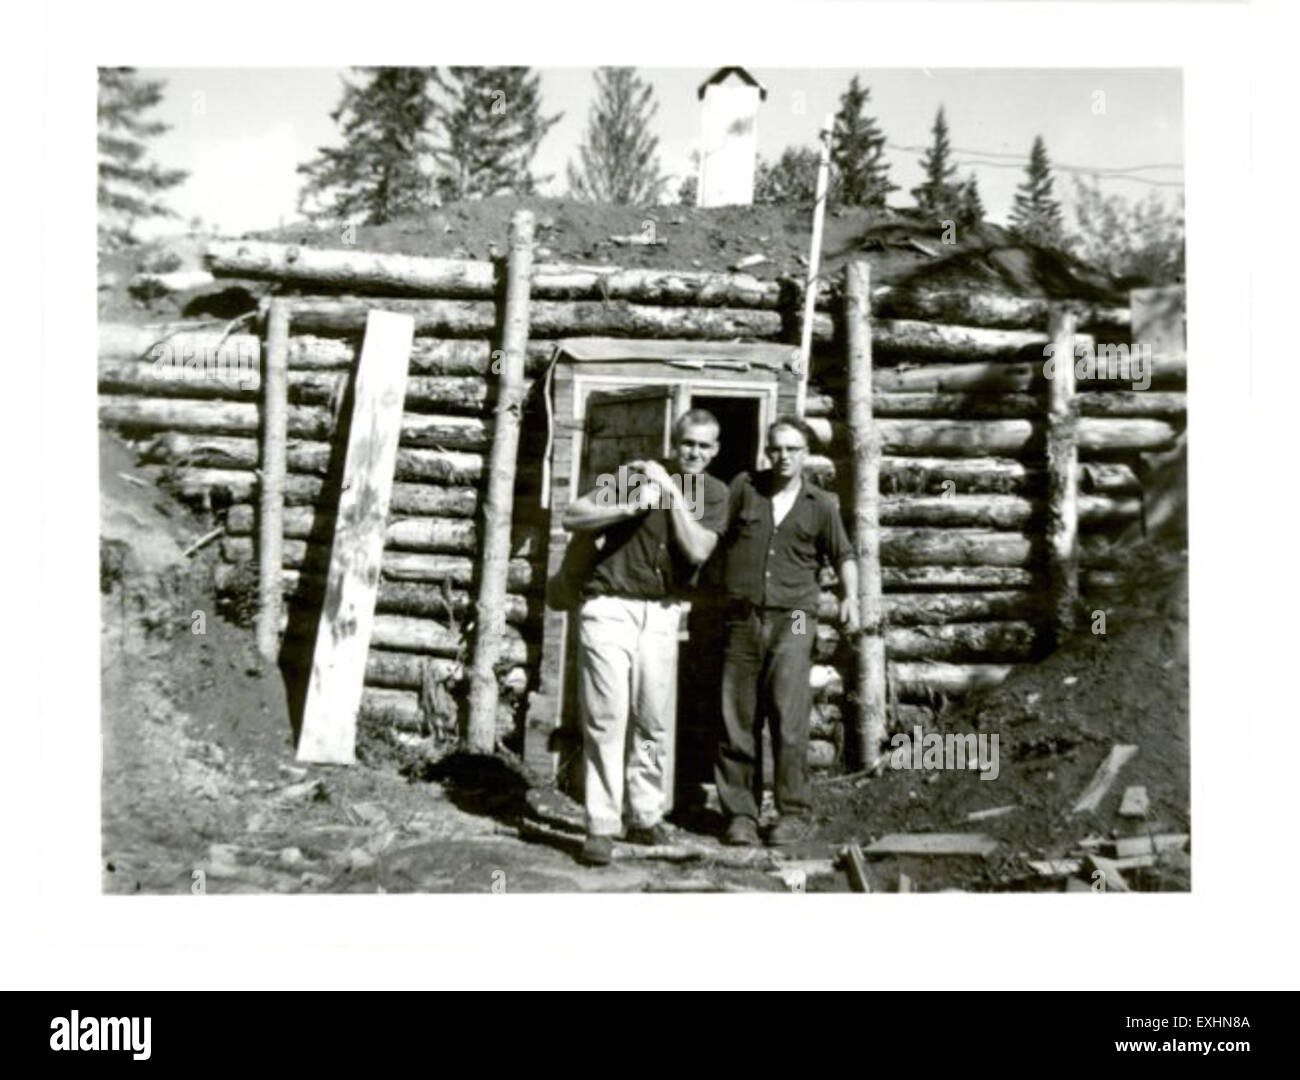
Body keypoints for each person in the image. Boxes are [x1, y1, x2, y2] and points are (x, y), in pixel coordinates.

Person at [561, 409, 729, 866]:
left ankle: (645, 813)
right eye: (687, 443)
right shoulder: (636, 477)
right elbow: (573, 516)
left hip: (662, 612)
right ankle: (601, 824)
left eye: (704, 446)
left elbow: (697, 550)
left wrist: (670, 493)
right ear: (675, 443)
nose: (694, 452)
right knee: (606, 716)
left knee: (653, 720)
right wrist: (630, 503)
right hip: (610, 606)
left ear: (715, 451)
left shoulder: (714, 493)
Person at [714, 416, 859, 847]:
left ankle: (792, 813)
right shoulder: (745, 488)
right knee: (737, 718)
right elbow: (715, 538)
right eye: (776, 448)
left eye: (793, 449)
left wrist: (851, 597)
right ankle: (740, 814)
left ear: (805, 454)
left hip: (795, 615)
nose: (783, 457)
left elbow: (844, 553)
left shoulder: (820, 504)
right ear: (767, 450)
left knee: (787, 714)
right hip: (743, 615)